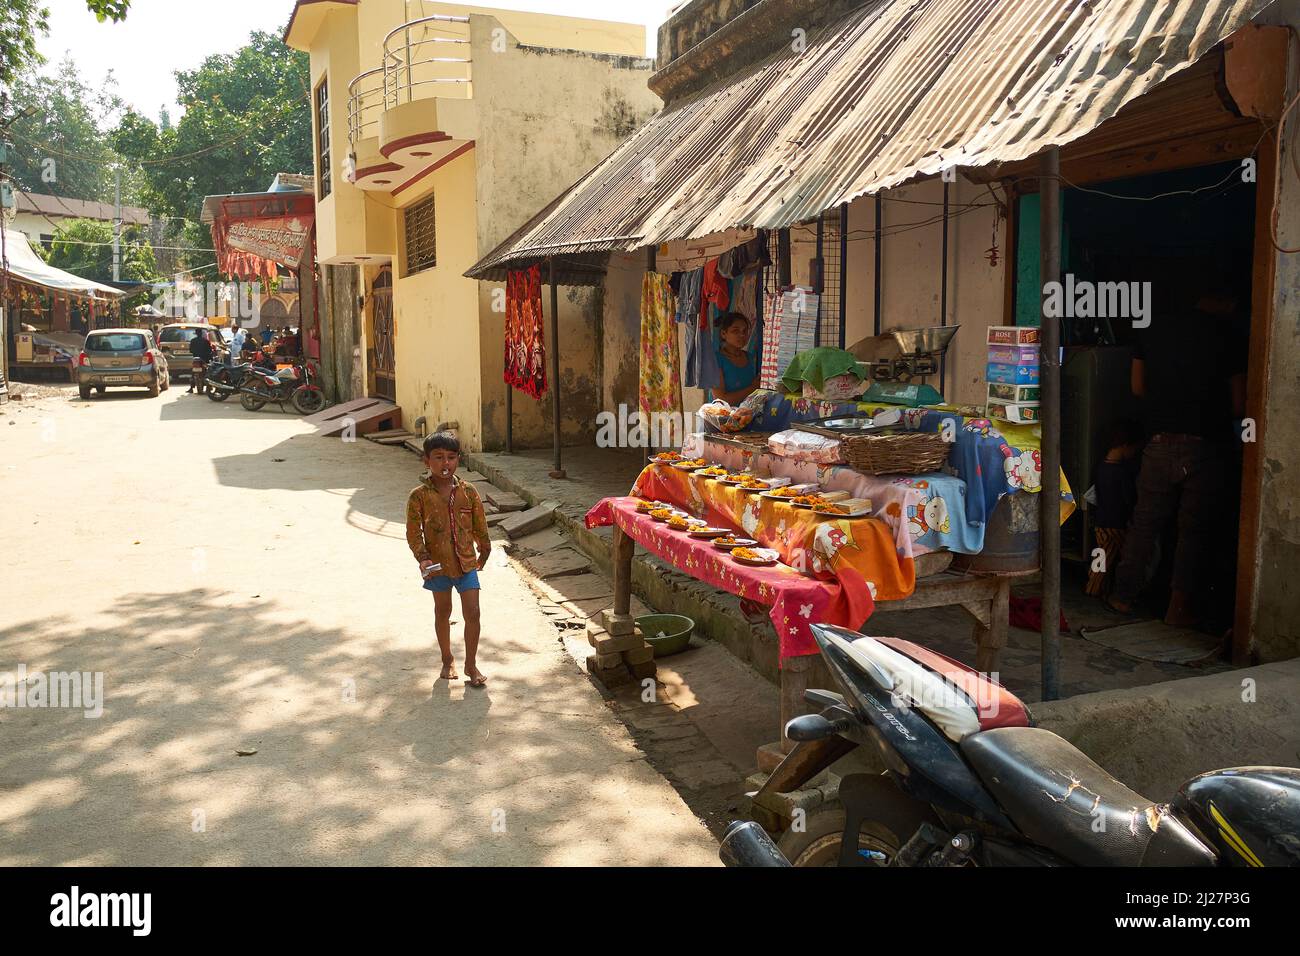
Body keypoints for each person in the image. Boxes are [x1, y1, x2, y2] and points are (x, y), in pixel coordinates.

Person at [1107, 283, 1247, 628]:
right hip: (1205, 445)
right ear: (1222, 299)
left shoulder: (1152, 327)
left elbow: (1138, 388)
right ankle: (1176, 610)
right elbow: (1240, 403)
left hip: (1158, 442)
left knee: (1145, 522)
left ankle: (1122, 597)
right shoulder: (1228, 335)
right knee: (1193, 531)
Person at [406, 431, 491, 687]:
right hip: (437, 566)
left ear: (458, 460)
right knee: (443, 611)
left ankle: (471, 665)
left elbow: (480, 525)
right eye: (439, 458)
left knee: (473, 612)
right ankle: (447, 659)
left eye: (451, 458)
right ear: (426, 461)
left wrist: (484, 551)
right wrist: (422, 558)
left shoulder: (469, 492)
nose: (445, 464)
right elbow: (413, 532)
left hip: (466, 563)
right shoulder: (418, 496)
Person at [1085, 418, 1142, 597]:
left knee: (1100, 558)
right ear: (1125, 445)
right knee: (1113, 559)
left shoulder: (1100, 467)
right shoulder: (1122, 472)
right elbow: (1128, 500)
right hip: (1117, 524)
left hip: (1101, 521)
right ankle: (1095, 590)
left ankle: (1094, 588)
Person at [712, 311, 760, 405]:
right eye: (736, 331)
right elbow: (721, 400)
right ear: (723, 334)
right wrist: (752, 388)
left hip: (748, 416)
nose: (742, 335)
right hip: (725, 416)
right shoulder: (716, 360)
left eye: (744, 331)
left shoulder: (750, 358)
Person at [188, 328, 215, 394]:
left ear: (196, 334)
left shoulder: (193, 341)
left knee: (193, 372)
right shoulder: (206, 341)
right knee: (209, 372)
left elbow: (190, 350)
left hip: (196, 359)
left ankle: (191, 387)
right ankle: (209, 386)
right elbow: (209, 351)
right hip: (204, 359)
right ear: (201, 333)